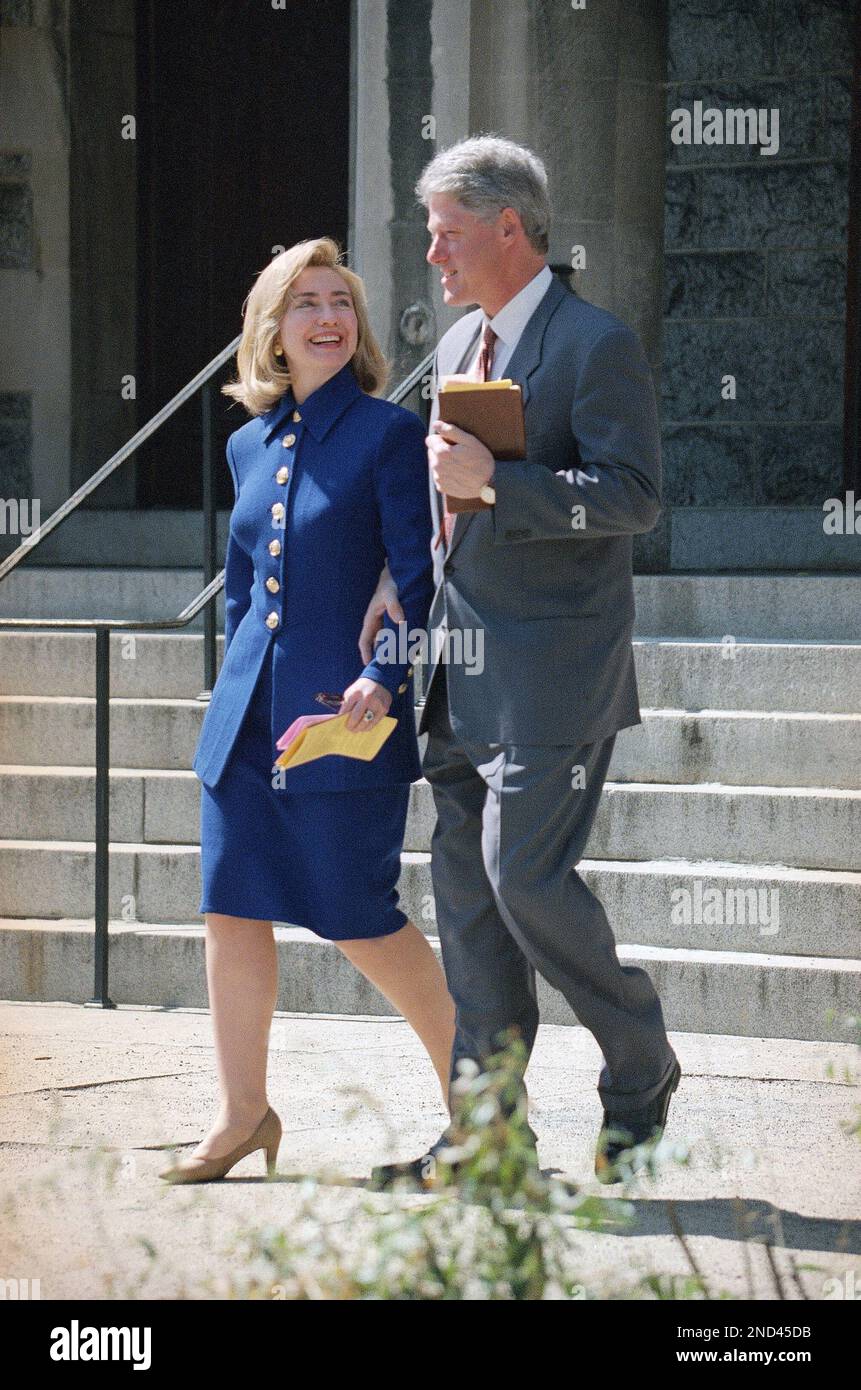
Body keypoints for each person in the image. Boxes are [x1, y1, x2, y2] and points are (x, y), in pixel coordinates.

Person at [363, 136, 681, 1188]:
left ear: (511, 228)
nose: (435, 257)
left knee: (521, 878)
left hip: (553, 674)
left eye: (448, 235)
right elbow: (453, 502)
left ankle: (640, 1061)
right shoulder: (460, 344)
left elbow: (633, 497)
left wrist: (501, 483)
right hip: (460, 670)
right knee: (468, 906)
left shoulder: (595, 345)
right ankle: (486, 1137)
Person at [159, 237, 455, 1183]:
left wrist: (388, 677)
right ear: (273, 332)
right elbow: (244, 591)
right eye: (306, 304)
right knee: (231, 911)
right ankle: (243, 1115)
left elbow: (419, 576)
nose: (328, 317)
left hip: (347, 718)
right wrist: (227, 706)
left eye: (340, 302)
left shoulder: (388, 433)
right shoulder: (249, 442)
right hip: (244, 725)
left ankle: (485, 1115)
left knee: (358, 913)